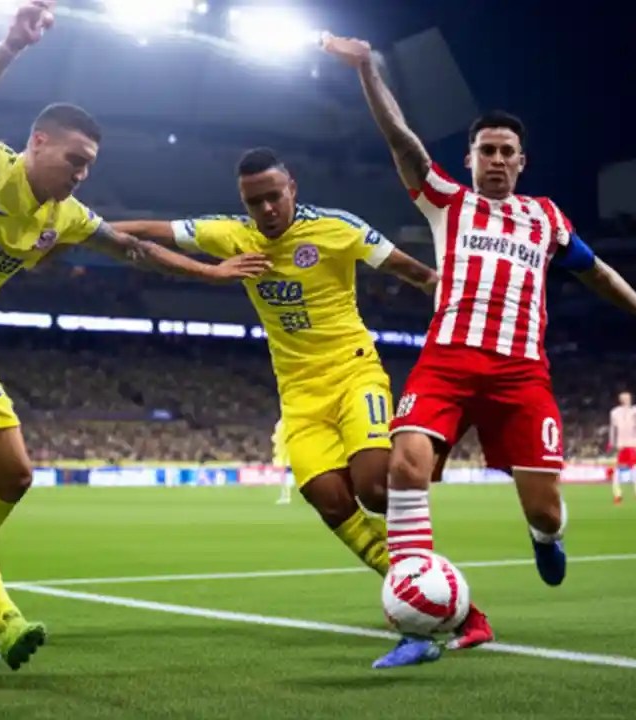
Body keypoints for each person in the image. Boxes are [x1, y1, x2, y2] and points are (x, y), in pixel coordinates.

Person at [0, 1, 269, 671]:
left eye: (90, 166)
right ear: (39, 143)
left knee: (13, 474)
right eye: (74, 159)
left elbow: (132, 249)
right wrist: (11, 46)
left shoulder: (66, 215)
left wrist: (212, 272)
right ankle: (3, 615)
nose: (81, 173)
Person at [322, 33, 636, 668]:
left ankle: (546, 538)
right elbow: (403, 142)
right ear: (469, 159)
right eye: (485, 150)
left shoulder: (546, 218)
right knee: (405, 466)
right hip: (447, 360)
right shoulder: (448, 202)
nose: (495, 159)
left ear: (522, 162)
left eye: (506, 152)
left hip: (521, 375)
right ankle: (417, 623)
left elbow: (595, 271)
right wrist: (367, 71)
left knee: (544, 510)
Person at [114, 148, 439, 579]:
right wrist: (77, 230)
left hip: (353, 372)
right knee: (330, 501)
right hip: (299, 396)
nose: (266, 208)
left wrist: (454, 303)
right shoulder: (233, 235)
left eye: (274, 196)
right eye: (254, 201)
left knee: (376, 489)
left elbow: (421, 276)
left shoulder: (338, 227)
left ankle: (422, 566)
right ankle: (407, 582)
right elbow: (151, 231)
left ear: (292, 189)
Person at [609, 391, 636, 504]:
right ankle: (617, 494)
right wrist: (611, 442)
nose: (627, 400)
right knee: (617, 471)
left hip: (632, 444)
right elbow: (612, 428)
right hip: (621, 445)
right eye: (625, 398)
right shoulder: (615, 412)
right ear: (620, 400)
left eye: (628, 398)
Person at [272, 419, 293, 505]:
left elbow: (276, 438)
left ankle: (286, 496)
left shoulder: (282, 423)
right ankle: (286, 496)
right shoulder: (287, 422)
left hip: (285, 457)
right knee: (286, 478)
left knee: (285, 478)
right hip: (287, 456)